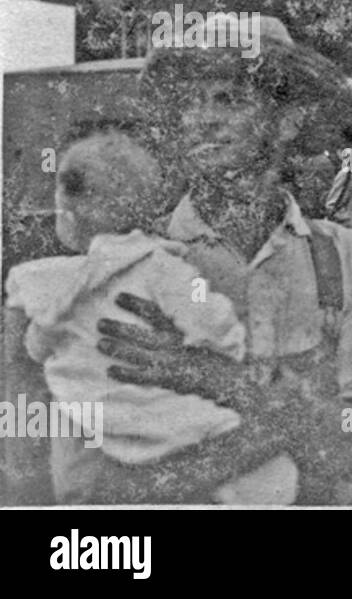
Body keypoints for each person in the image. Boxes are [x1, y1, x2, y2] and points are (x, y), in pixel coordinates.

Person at [88, 26, 352, 505]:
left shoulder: (348, 259)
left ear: (288, 122)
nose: (202, 120)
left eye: (228, 99)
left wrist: (224, 381)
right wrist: (293, 417)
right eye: (190, 104)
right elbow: (111, 477)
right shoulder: (133, 259)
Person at [3, 130, 296, 504]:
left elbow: (34, 347)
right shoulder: (164, 267)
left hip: (95, 425)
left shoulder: (46, 279)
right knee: (262, 463)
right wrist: (229, 346)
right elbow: (209, 318)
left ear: (69, 209)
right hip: (162, 422)